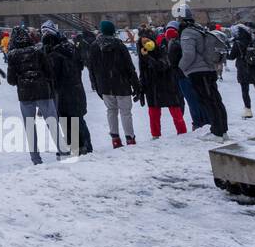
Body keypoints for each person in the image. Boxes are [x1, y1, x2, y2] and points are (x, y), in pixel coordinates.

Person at [6, 28, 65, 164]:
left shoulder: (13, 55)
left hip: (25, 94)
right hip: (43, 91)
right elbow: (49, 71)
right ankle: (63, 151)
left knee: (30, 126)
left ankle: (36, 159)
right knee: (52, 122)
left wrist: (22, 79)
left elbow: (11, 80)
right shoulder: (38, 51)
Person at [86, 20, 140, 148]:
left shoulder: (94, 46)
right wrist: (135, 84)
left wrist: (95, 84)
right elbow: (129, 66)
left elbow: (91, 67)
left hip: (104, 84)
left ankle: (115, 138)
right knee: (125, 112)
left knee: (111, 111)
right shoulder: (119, 45)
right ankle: (130, 137)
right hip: (121, 83)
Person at [41, 21, 92, 156]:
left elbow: (53, 74)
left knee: (71, 118)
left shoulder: (56, 53)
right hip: (71, 88)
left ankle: (80, 145)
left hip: (67, 89)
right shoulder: (68, 48)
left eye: (46, 33)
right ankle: (79, 144)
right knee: (72, 118)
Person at [176, 13, 228, 138]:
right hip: (209, 70)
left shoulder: (187, 33)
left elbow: (189, 54)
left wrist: (180, 67)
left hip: (198, 72)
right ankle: (222, 130)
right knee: (216, 100)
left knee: (209, 101)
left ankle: (217, 133)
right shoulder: (199, 30)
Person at [139, 36, 186, 138]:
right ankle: (155, 135)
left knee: (175, 111)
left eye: (148, 41)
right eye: (144, 43)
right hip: (152, 88)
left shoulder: (162, 51)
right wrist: (141, 89)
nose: (147, 43)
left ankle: (182, 132)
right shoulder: (142, 56)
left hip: (167, 85)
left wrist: (148, 58)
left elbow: (161, 66)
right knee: (153, 113)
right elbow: (142, 73)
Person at [229, 24, 255, 118]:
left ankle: (248, 110)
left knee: (245, 91)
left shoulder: (238, 43)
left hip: (243, 69)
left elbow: (231, 57)